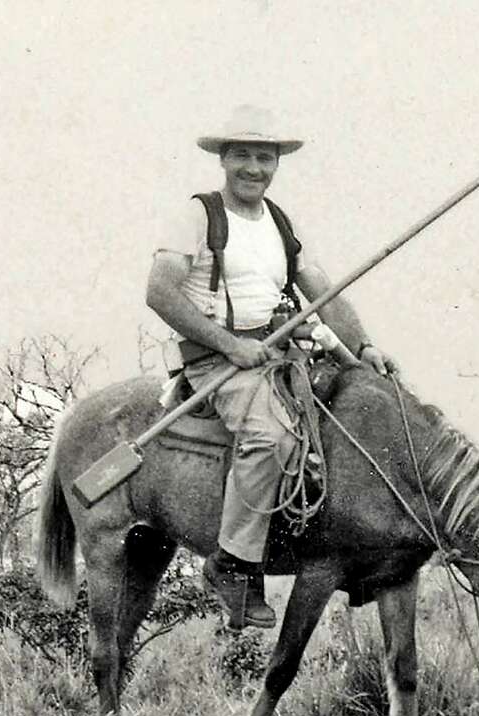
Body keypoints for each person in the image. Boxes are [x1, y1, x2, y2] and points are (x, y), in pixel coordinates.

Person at [145, 104, 397, 630]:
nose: (253, 168)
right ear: (223, 160)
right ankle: (234, 565)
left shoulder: (281, 221)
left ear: (277, 162)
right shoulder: (199, 215)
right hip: (216, 358)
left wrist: (366, 347)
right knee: (272, 438)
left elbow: (323, 295)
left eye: (264, 157)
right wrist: (229, 345)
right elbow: (160, 292)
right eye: (242, 156)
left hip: (281, 353)